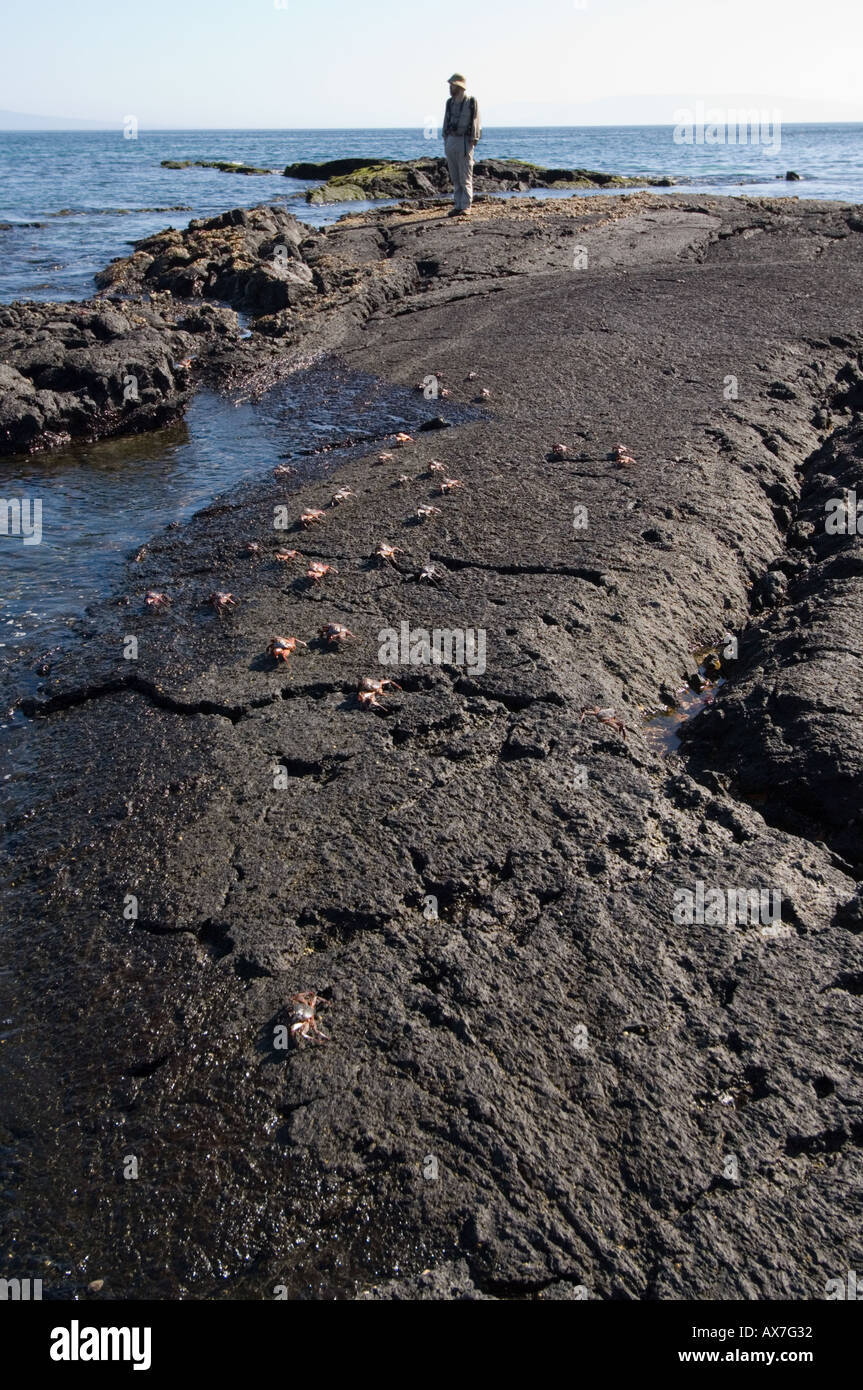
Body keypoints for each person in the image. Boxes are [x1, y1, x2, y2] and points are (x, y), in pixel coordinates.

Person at [442, 73, 481, 217]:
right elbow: (446, 120)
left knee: (465, 175)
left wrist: (473, 139)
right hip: (451, 140)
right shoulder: (449, 102)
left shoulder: (471, 101)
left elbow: (476, 121)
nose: (450, 87)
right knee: (455, 176)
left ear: (458, 86)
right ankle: (458, 205)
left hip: (464, 141)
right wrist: (445, 139)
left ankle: (466, 206)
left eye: (452, 85)